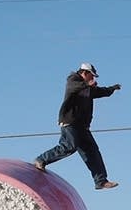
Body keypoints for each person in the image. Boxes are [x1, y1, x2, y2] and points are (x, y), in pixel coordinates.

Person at [31, 62, 122, 190]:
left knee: (92, 152)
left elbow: (98, 91)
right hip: (70, 122)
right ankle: (41, 159)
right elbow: (76, 87)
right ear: (84, 73)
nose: (93, 79)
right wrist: (87, 84)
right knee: (69, 145)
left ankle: (101, 181)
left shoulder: (87, 88)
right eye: (91, 76)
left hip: (82, 126)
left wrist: (111, 89)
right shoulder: (73, 80)